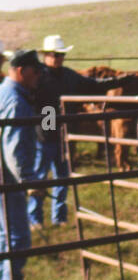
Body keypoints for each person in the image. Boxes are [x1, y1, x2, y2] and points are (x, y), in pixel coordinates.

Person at [30, 35, 125, 228]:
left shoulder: (68, 76)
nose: (57, 58)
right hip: (44, 134)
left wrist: (116, 82)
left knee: (62, 176)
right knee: (40, 177)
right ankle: (35, 217)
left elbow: (93, 85)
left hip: (65, 134)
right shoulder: (38, 76)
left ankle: (59, 217)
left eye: (60, 55)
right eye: (54, 54)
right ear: (46, 55)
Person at [0, 51, 43, 280]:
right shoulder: (17, 99)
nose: (39, 75)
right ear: (20, 71)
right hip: (11, 174)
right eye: (35, 70)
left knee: (6, 233)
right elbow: (14, 148)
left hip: (42, 132)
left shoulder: (11, 92)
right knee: (17, 235)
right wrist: (29, 180)